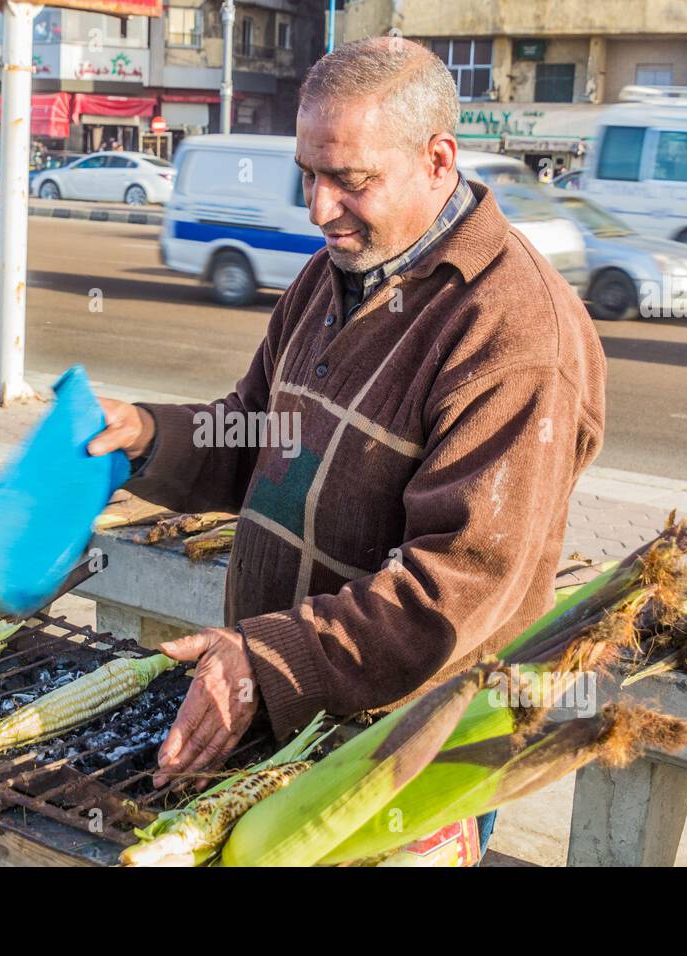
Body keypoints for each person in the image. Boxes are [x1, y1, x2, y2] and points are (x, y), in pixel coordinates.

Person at [88, 37, 605, 866]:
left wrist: (268, 655)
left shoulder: (514, 332)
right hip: (283, 720)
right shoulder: (334, 274)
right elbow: (259, 433)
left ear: (439, 159)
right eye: (308, 174)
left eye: (352, 182)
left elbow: (458, 588)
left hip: (398, 763)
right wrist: (148, 434)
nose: (320, 208)